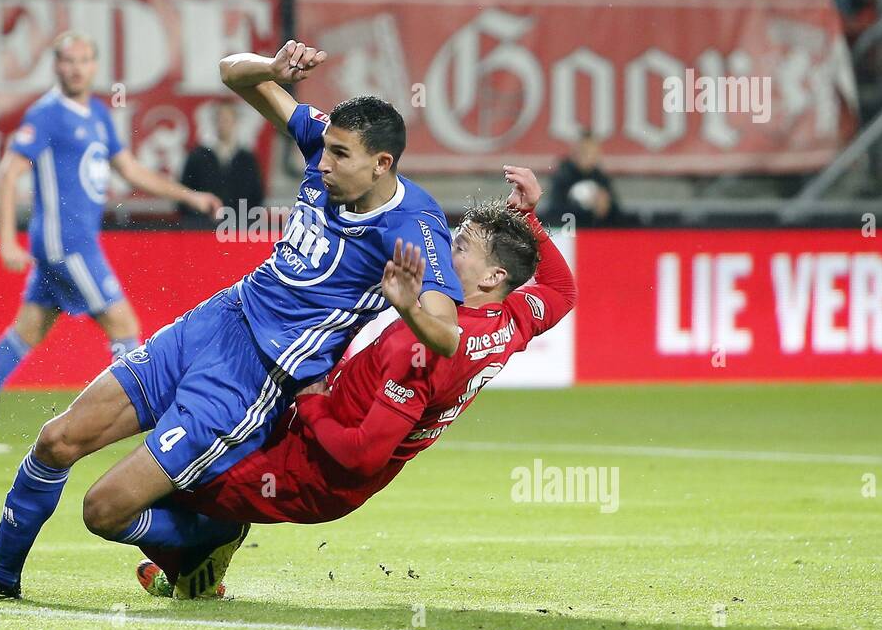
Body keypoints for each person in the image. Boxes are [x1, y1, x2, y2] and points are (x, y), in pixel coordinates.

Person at [0, 38, 464, 603]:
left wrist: (405, 306)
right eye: (324, 148)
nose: (321, 161)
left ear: (382, 164)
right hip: (215, 320)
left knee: (103, 511)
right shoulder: (323, 144)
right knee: (56, 440)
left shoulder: (413, 224)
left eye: (339, 155)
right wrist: (272, 68)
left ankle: (211, 534)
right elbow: (231, 72)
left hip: (255, 376)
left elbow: (446, 334)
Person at [134, 168, 577, 598]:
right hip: (312, 435)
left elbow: (362, 455)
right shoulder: (512, 318)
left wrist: (312, 404)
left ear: (492, 277)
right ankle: (198, 553)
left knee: (170, 479)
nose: (443, 250)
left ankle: (198, 560)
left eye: (459, 246)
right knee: (178, 454)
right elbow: (562, 291)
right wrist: (529, 217)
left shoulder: (428, 350)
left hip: (314, 469)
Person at [0, 33, 222, 453]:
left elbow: (129, 169)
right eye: (68, 61)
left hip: (69, 245)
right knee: (125, 328)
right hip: (68, 245)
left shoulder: (96, 113)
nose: (76, 68)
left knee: (27, 331)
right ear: (56, 66)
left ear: (94, 66)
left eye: (84, 60)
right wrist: (5, 240)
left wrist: (187, 195)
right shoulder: (48, 114)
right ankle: (144, 432)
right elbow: (7, 174)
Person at [178, 100, 264, 227]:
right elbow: (185, 193)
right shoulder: (198, 156)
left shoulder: (247, 159)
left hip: (238, 229)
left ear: (236, 122)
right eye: (220, 119)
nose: (223, 124)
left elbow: (256, 197)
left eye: (227, 119)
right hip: (202, 228)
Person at [543, 132, 627, 227]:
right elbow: (554, 210)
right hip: (568, 233)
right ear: (574, 152)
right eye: (584, 152)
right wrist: (587, 211)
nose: (587, 157)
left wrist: (607, 207)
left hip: (594, 234)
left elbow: (617, 213)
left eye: (592, 153)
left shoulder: (601, 178)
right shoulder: (563, 175)